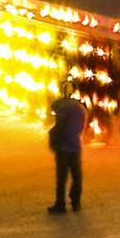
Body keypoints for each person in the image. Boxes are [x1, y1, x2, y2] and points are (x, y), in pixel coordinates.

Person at [48, 86, 89, 214]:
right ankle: (75, 202)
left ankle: (60, 204)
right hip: (75, 146)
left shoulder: (61, 106)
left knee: (62, 178)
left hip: (63, 147)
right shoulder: (80, 108)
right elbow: (82, 126)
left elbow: (54, 109)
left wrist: (54, 140)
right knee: (77, 175)